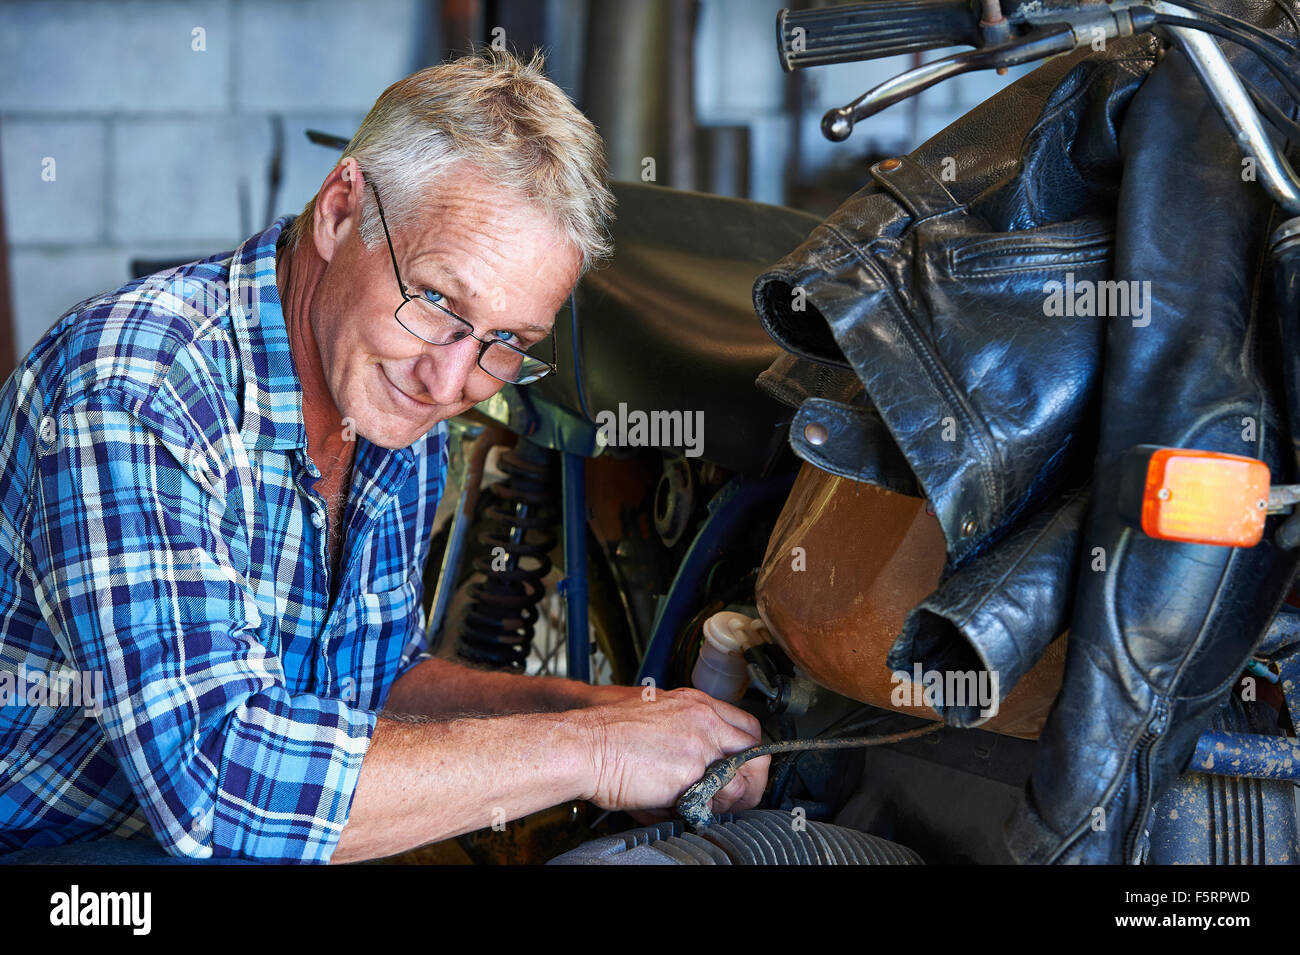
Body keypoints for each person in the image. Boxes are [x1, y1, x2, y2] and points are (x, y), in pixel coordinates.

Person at [0, 50, 768, 865]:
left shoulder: (390, 401)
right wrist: (596, 752)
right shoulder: (135, 390)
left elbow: (368, 688)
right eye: (437, 300)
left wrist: (607, 712)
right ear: (339, 212)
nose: (449, 380)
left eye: (506, 341)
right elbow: (219, 786)